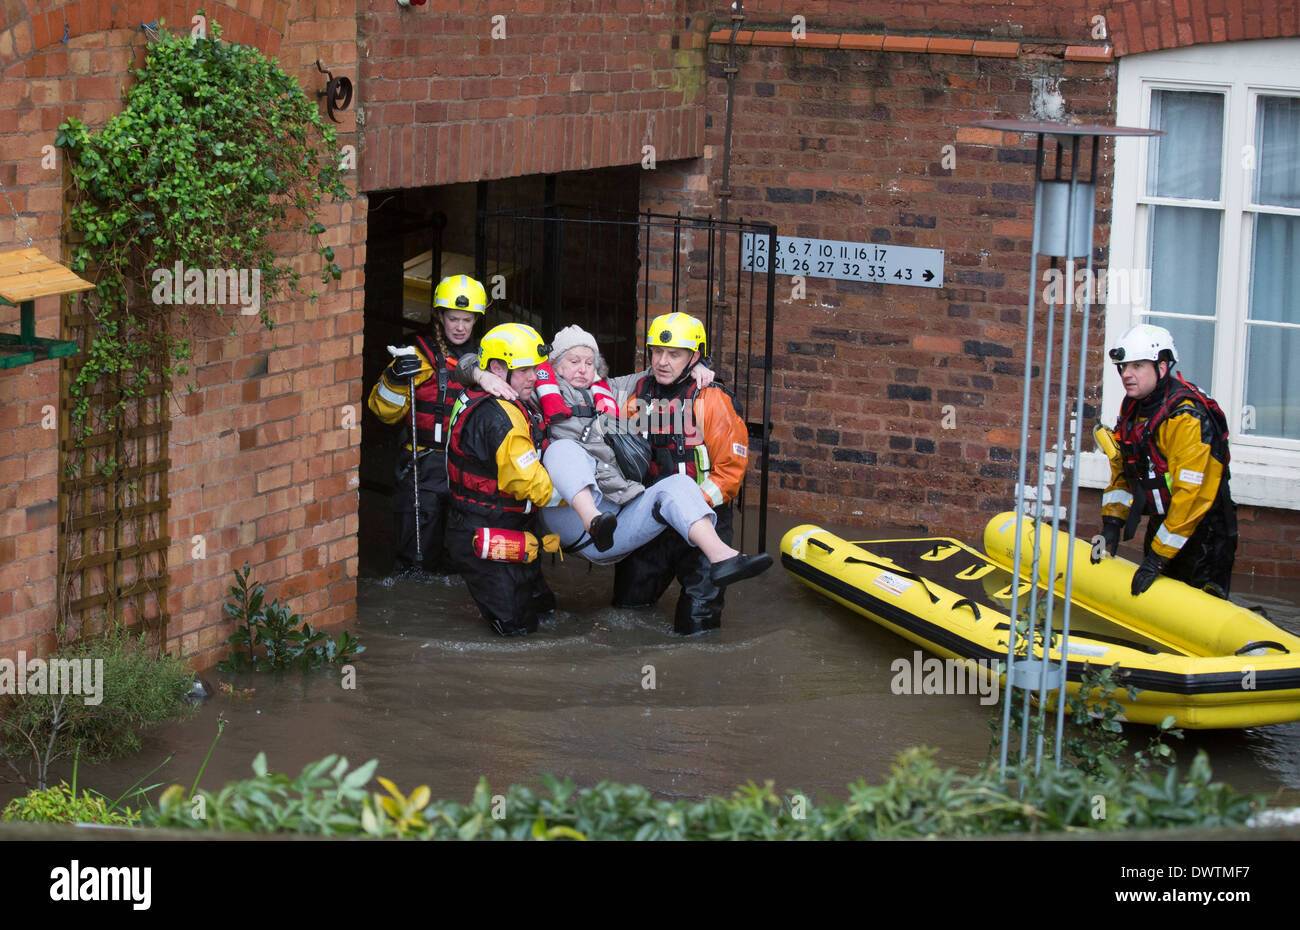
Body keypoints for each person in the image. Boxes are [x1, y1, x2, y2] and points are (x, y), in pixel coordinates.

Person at [464, 323, 773, 587]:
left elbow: (662, 371)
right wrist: (480, 373)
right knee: (563, 448)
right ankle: (593, 519)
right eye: (573, 361)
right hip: (572, 515)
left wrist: (698, 366)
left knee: (678, 485)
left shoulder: (611, 389)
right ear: (553, 365)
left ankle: (722, 557)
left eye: (589, 361)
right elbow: (462, 365)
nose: (582, 369)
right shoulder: (532, 390)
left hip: (616, 510)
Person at [612, 312, 755, 633]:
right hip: (651, 525)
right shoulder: (634, 395)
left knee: (697, 626)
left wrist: (685, 508)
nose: (662, 361)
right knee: (626, 614)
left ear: (695, 357)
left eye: (674, 354)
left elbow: (730, 472)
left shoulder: (713, 400)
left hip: (706, 524)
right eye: (657, 352)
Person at [1098, 323, 1237, 597]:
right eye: (1123, 366)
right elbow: (1124, 471)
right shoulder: (1134, 407)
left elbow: (1192, 495)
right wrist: (1111, 525)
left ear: (1162, 367)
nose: (1126, 374)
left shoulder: (1186, 417)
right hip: (1166, 522)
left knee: (1196, 614)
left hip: (1204, 534)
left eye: (1137, 366)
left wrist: (1156, 559)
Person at [367, 275, 488, 577]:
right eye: (453, 318)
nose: (460, 327)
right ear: (440, 316)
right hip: (425, 464)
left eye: (467, 319)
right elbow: (384, 413)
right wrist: (394, 379)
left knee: (462, 555)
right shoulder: (416, 356)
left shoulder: (488, 361)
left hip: (469, 466)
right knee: (416, 559)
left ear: (476, 320)